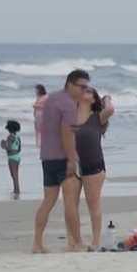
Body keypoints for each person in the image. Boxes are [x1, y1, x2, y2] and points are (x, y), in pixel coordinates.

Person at [32, 69, 85, 253]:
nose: (83, 91)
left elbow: (42, 126)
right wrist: (72, 159)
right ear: (70, 84)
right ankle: (77, 242)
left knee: (48, 201)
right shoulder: (68, 104)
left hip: (47, 157)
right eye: (81, 86)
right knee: (70, 202)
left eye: (86, 87)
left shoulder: (50, 99)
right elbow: (67, 133)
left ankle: (37, 243)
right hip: (63, 157)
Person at [75, 86, 114, 250]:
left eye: (89, 92)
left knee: (93, 204)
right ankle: (75, 241)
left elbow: (110, 108)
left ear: (93, 99)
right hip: (74, 166)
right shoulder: (71, 116)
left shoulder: (98, 117)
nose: (84, 92)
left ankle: (96, 241)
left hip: (94, 166)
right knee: (72, 205)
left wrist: (106, 98)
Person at [0, 120, 23, 196]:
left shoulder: (10, 137)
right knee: (15, 174)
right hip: (17, 157)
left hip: (12, 157)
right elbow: (19, 149)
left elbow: (8, 147)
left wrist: (3, 144)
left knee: (13, 174)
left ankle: (16, 190)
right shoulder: (17, 137)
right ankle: (16, 189)